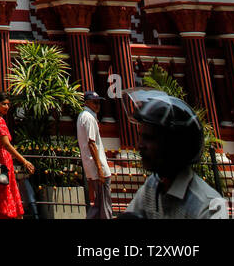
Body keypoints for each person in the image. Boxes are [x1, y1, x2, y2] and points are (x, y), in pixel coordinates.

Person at [120, 88, 226, 220]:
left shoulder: (208, 206)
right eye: (141, 137)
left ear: (174, 145)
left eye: (150, 138)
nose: (140, 146)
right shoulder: (152, 186)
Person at [0, 91, 34, 221]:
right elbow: (6, 145)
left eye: (8, 104)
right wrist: (24, 161)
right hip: (1, 164)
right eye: (4, 104)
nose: (7, 107)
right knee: (5, 198)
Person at [77, 91, 112, 219]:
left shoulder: (83, 116)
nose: (98, 105)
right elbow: (91, 144)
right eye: (95, 102)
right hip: (98, 167)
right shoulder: (89, 118)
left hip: (91, 167)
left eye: (99, 102)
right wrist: (100, 169)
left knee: (98, 204)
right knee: (105, 204)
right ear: (87, 102)